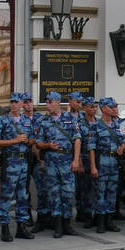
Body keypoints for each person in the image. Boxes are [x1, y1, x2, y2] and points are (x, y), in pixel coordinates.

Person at [34, 91, 81, 236]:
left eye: (49, 102)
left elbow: (77, 139)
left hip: (67, 160)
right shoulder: (43, 121)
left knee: (68, 193)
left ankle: (67, 223)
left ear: (57, 102)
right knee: (54, 194)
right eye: (46, 102)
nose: (47, 105)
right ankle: (58, 225)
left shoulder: (70, 118)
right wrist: (48, 146)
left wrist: (75, 160)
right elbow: (38, 143)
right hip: (51, 162)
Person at [0, 92, 35, 241]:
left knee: (23, 195)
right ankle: (4, 227)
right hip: (10, 161)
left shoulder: (27, 121)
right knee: (7, 195)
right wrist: (15, 140)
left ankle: (21, 226)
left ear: (23, 104)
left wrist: (27, 141)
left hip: (24, 162)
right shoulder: (2, 120)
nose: (14, 104)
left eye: (17, 102)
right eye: (12, 102)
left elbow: (31, 141)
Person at [87, 97, 125, 232]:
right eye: (112, 107)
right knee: (100, 192)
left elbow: (123, 140)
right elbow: (91, 148)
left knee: (112, 192)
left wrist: (121, 148)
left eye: (116, 106)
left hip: (114, 162)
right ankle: (100, 222)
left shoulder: (118, 125)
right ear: (104, 109)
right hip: (102, 161)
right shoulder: (95, 126)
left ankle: (109, 221)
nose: (115, 109)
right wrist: (93, 167)